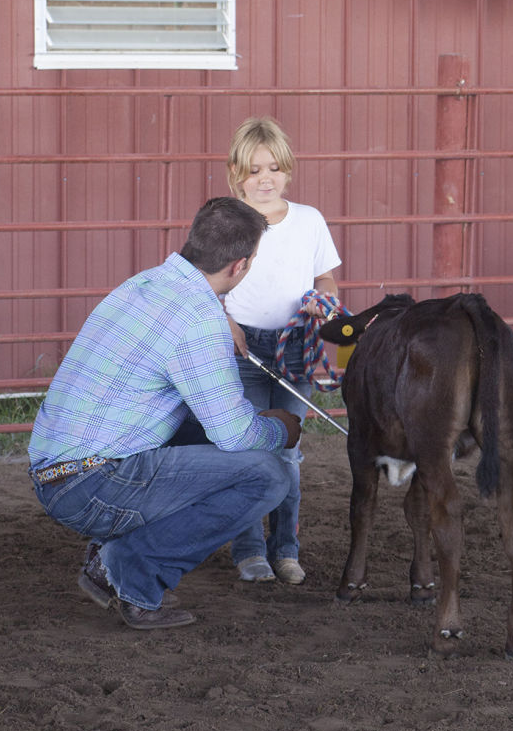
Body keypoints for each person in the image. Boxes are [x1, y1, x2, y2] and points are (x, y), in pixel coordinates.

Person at [28, 197, 300, 631]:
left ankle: (108, 557)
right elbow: (234, 434)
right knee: (267, 475)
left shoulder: (144, 283)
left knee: (201, 426)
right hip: (91, 486)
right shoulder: (199, 318)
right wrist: (280, 429)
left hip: (57, 473)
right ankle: (131, 570)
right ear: (240, 265)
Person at [223, 116, 342, 586]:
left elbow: (326, 278)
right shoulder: (227, 222)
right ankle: (249, 550)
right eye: (254, 170)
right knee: (248, 449)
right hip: (243, 350)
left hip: (295, 351)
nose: (265, 179)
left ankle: (286, 549)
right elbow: (204, 285)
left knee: (287, 453)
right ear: (236, 174)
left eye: (273, 168)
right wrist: (227, 322)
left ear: (288, 170)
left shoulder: (309, 221)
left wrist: (322, 302)